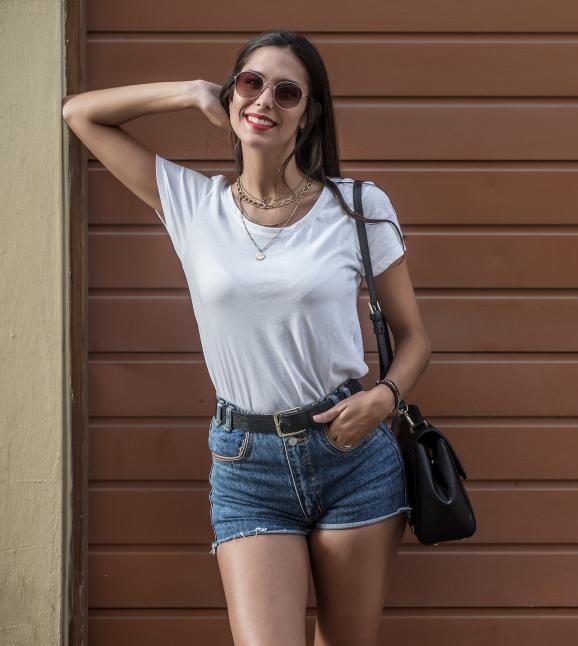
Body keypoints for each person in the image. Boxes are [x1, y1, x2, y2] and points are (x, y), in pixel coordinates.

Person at [62, 30, 431, 646]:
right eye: (251, 83)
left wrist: (383, 400)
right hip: (246, 463)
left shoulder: (358, 206)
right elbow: (80, 114)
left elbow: (415, 336)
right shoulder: (192, 203)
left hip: (352, 455)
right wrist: (190, 92)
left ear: (308, 115)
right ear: (231, 94)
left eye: (287, 92)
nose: (264, 101)